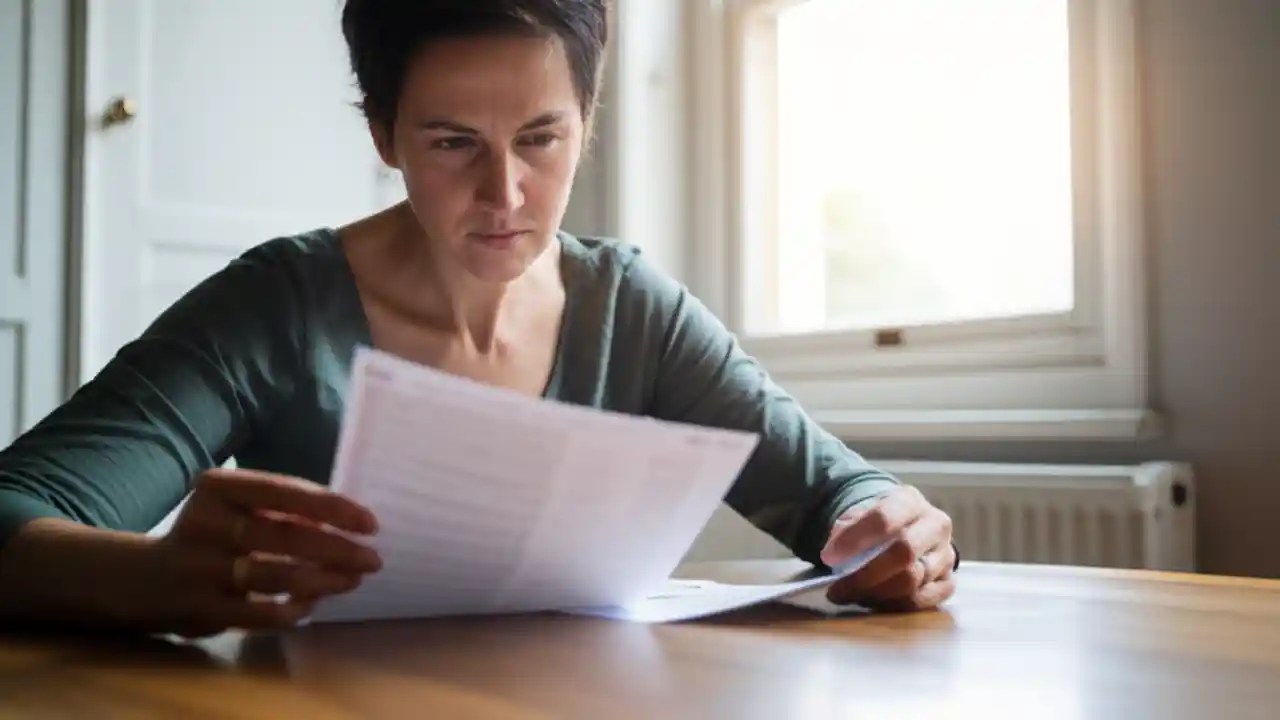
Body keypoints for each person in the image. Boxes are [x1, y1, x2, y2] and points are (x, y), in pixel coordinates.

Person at [0, 0, 955, 637]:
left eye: (542, 138)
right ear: (383, 133)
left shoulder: (632, 308)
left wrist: (885, 528)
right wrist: (152, 577)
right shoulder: (276, 308)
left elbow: (836, 490)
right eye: (454, 142)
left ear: (589, 116)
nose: (506, 194)